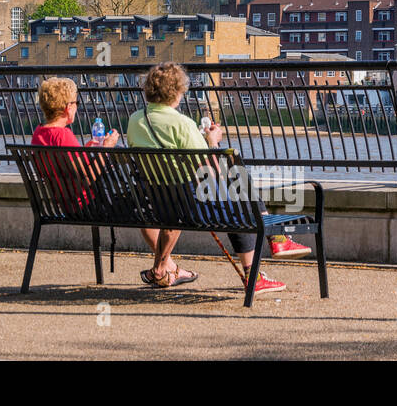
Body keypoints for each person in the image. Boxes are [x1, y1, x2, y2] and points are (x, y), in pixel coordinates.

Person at [124, 62, 311, 292]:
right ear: (177, 91)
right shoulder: (182, 123)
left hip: (159, 203)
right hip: (191, 207)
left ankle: (274, 245)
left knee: (239, 189)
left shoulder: (135, 120)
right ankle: (263, 262)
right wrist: (213, 141)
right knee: (241, 192)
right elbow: (212, 169)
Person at [30, 77, 121, 204]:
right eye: (76, 103)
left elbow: (64, 164)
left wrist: (82, 151)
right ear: (68, 107)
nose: (77, 107)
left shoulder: (38, 133)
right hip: (86, 204)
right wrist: (106, 148)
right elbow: (87, 178)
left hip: (62, 204)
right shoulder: (63, 135)